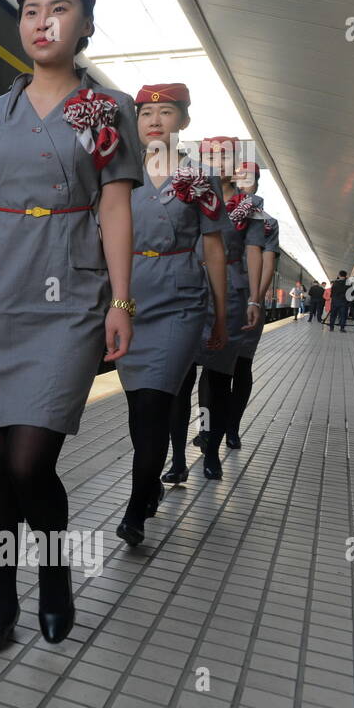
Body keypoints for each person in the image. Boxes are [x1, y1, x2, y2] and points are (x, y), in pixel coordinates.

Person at [0, 0, 140, 654]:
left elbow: (114, 205)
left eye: (59, 9)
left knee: (29, 460)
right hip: (0, 289)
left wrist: (120, 298)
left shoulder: (109, 110)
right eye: (30, 11)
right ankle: (3, 601)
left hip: (72, 292)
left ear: (85, 24)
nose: (41, 21)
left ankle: (55, 576)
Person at [113, 83, 227, 547]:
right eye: (146, 113)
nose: (155, 120)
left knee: (156, 401)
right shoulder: (120, 173)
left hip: (180, 301)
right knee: (138, 407)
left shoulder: (200, 180)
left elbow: (215, 249)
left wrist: (219, 314)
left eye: (166, 111)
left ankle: (136, 506)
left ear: (184, 121)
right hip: (129, 299)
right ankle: (149, 488)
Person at [164, 137, 263, 483]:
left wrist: (253, 298)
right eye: (210, 154)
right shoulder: (185, 187)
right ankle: (176, 459)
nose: (218, 160)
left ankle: (210, 451)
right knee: (179, 380)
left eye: (226, 155)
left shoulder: (250, 206)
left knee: (218, 382)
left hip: (229, 297)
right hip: (188, 290)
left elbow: (254, 250)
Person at [223, 162, 278, 449]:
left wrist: (256, 295)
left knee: (242, 365)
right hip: (218, 296)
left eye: (250, 178)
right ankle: (211, 427)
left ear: (257, 182)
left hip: (247, 298)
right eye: (239, 176)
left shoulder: (266, 221)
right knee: (214, 369)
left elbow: (268, 260)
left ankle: (233, 427)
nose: (244, 182)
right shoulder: (218, 211)